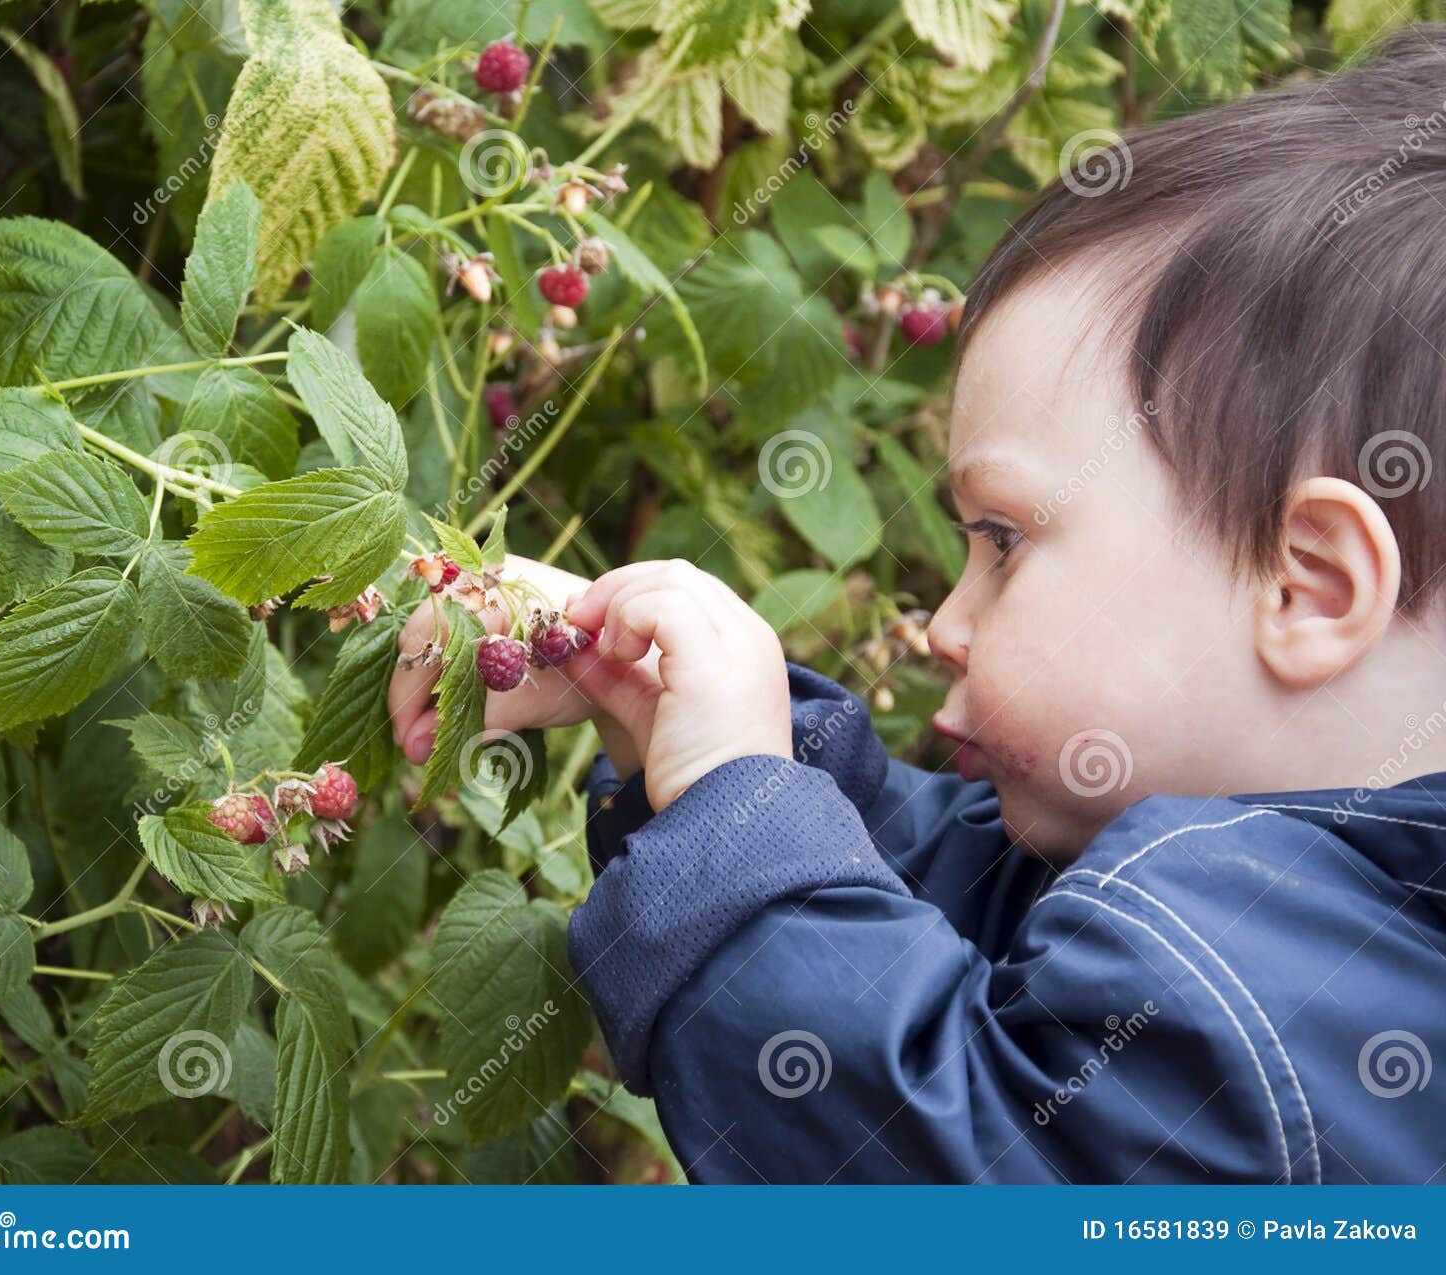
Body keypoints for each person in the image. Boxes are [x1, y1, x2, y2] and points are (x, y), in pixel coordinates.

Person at [388, 27, 1446, 1183]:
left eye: (1001, 542)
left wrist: (730, 819)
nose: (946, 623)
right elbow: (947, 912)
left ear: (1307, 585)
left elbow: (933, 1157)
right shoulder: (1301, 936)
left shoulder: (1266, 1024)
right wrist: (689, 732)